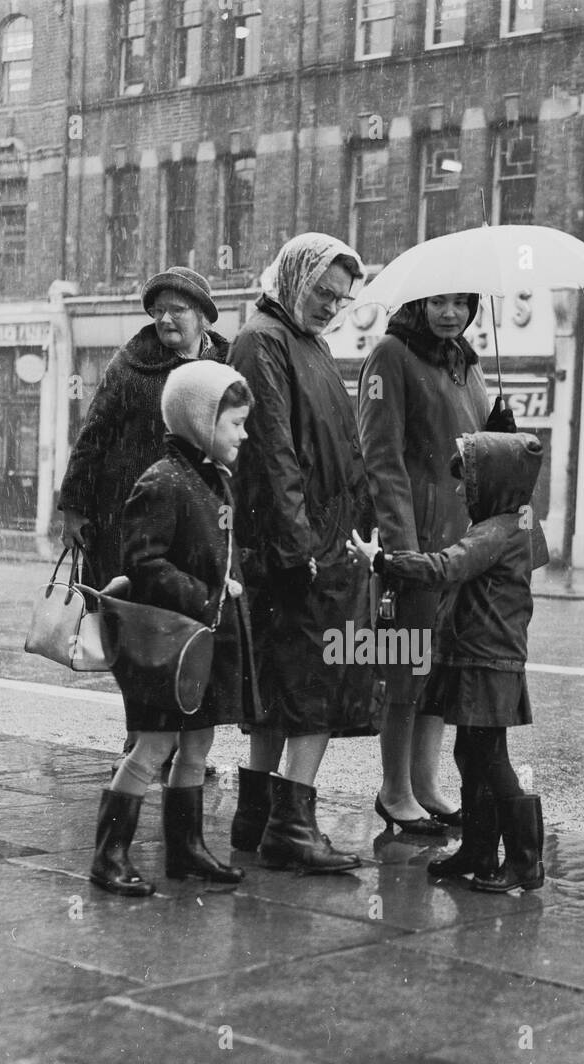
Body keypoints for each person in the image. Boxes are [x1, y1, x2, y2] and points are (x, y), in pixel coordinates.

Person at [227, 232, 378, 874]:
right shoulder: (265, 340)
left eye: (341, 300)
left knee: (282, 688)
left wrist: (362, 522)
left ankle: (257, 816)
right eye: (322, 292)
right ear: (294, 277)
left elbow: (337, 448)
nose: (330, 306)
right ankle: (291, 824)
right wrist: (298, 547)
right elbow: (271, 450)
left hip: (317, 541)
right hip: (301, 548)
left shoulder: (301, 341)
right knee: (309, 689)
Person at [349, 431, 548, 892]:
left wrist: (383, 561)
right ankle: (479, 851)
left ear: (493, 485)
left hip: (486, 662)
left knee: (490, 757)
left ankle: (525, 860)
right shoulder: (511, 526)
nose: (460, 491)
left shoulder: (493, 533)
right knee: (472, 752)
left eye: (469, 482)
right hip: (482, 659)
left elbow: (443, 568)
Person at [88, 361, 260, 896]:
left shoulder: (211, 479)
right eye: (235, 423)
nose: (244, 434)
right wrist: (209, 595)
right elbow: (144, 562)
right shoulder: (162, 481)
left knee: (197, 744)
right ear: (202, 420)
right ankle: (109, 854)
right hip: (168, 645)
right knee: (153, 747)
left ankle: (185, 850)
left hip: (201, 645)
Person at [358, 293, 514, 835]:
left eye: (461, 304)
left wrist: (499, 431)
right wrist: (402, 550)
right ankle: (394, 789)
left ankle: (425, 786)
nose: (450, 314)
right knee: (406, 668)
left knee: (439, 671)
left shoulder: (466, 362)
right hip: (418, 545)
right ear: (418, 304)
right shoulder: (392, 355)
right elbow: (381, 458)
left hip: (459, 545)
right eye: (439, 303)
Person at [59, 267, 228, 589]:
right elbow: (93, 436)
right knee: (123, 612)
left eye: (177, 310)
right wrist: (74, 507)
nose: (165, 319)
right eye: (158, 310)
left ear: (204, 316)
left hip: (200, 517)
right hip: (126, 515)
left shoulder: (227, 363)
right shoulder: (131, 363)